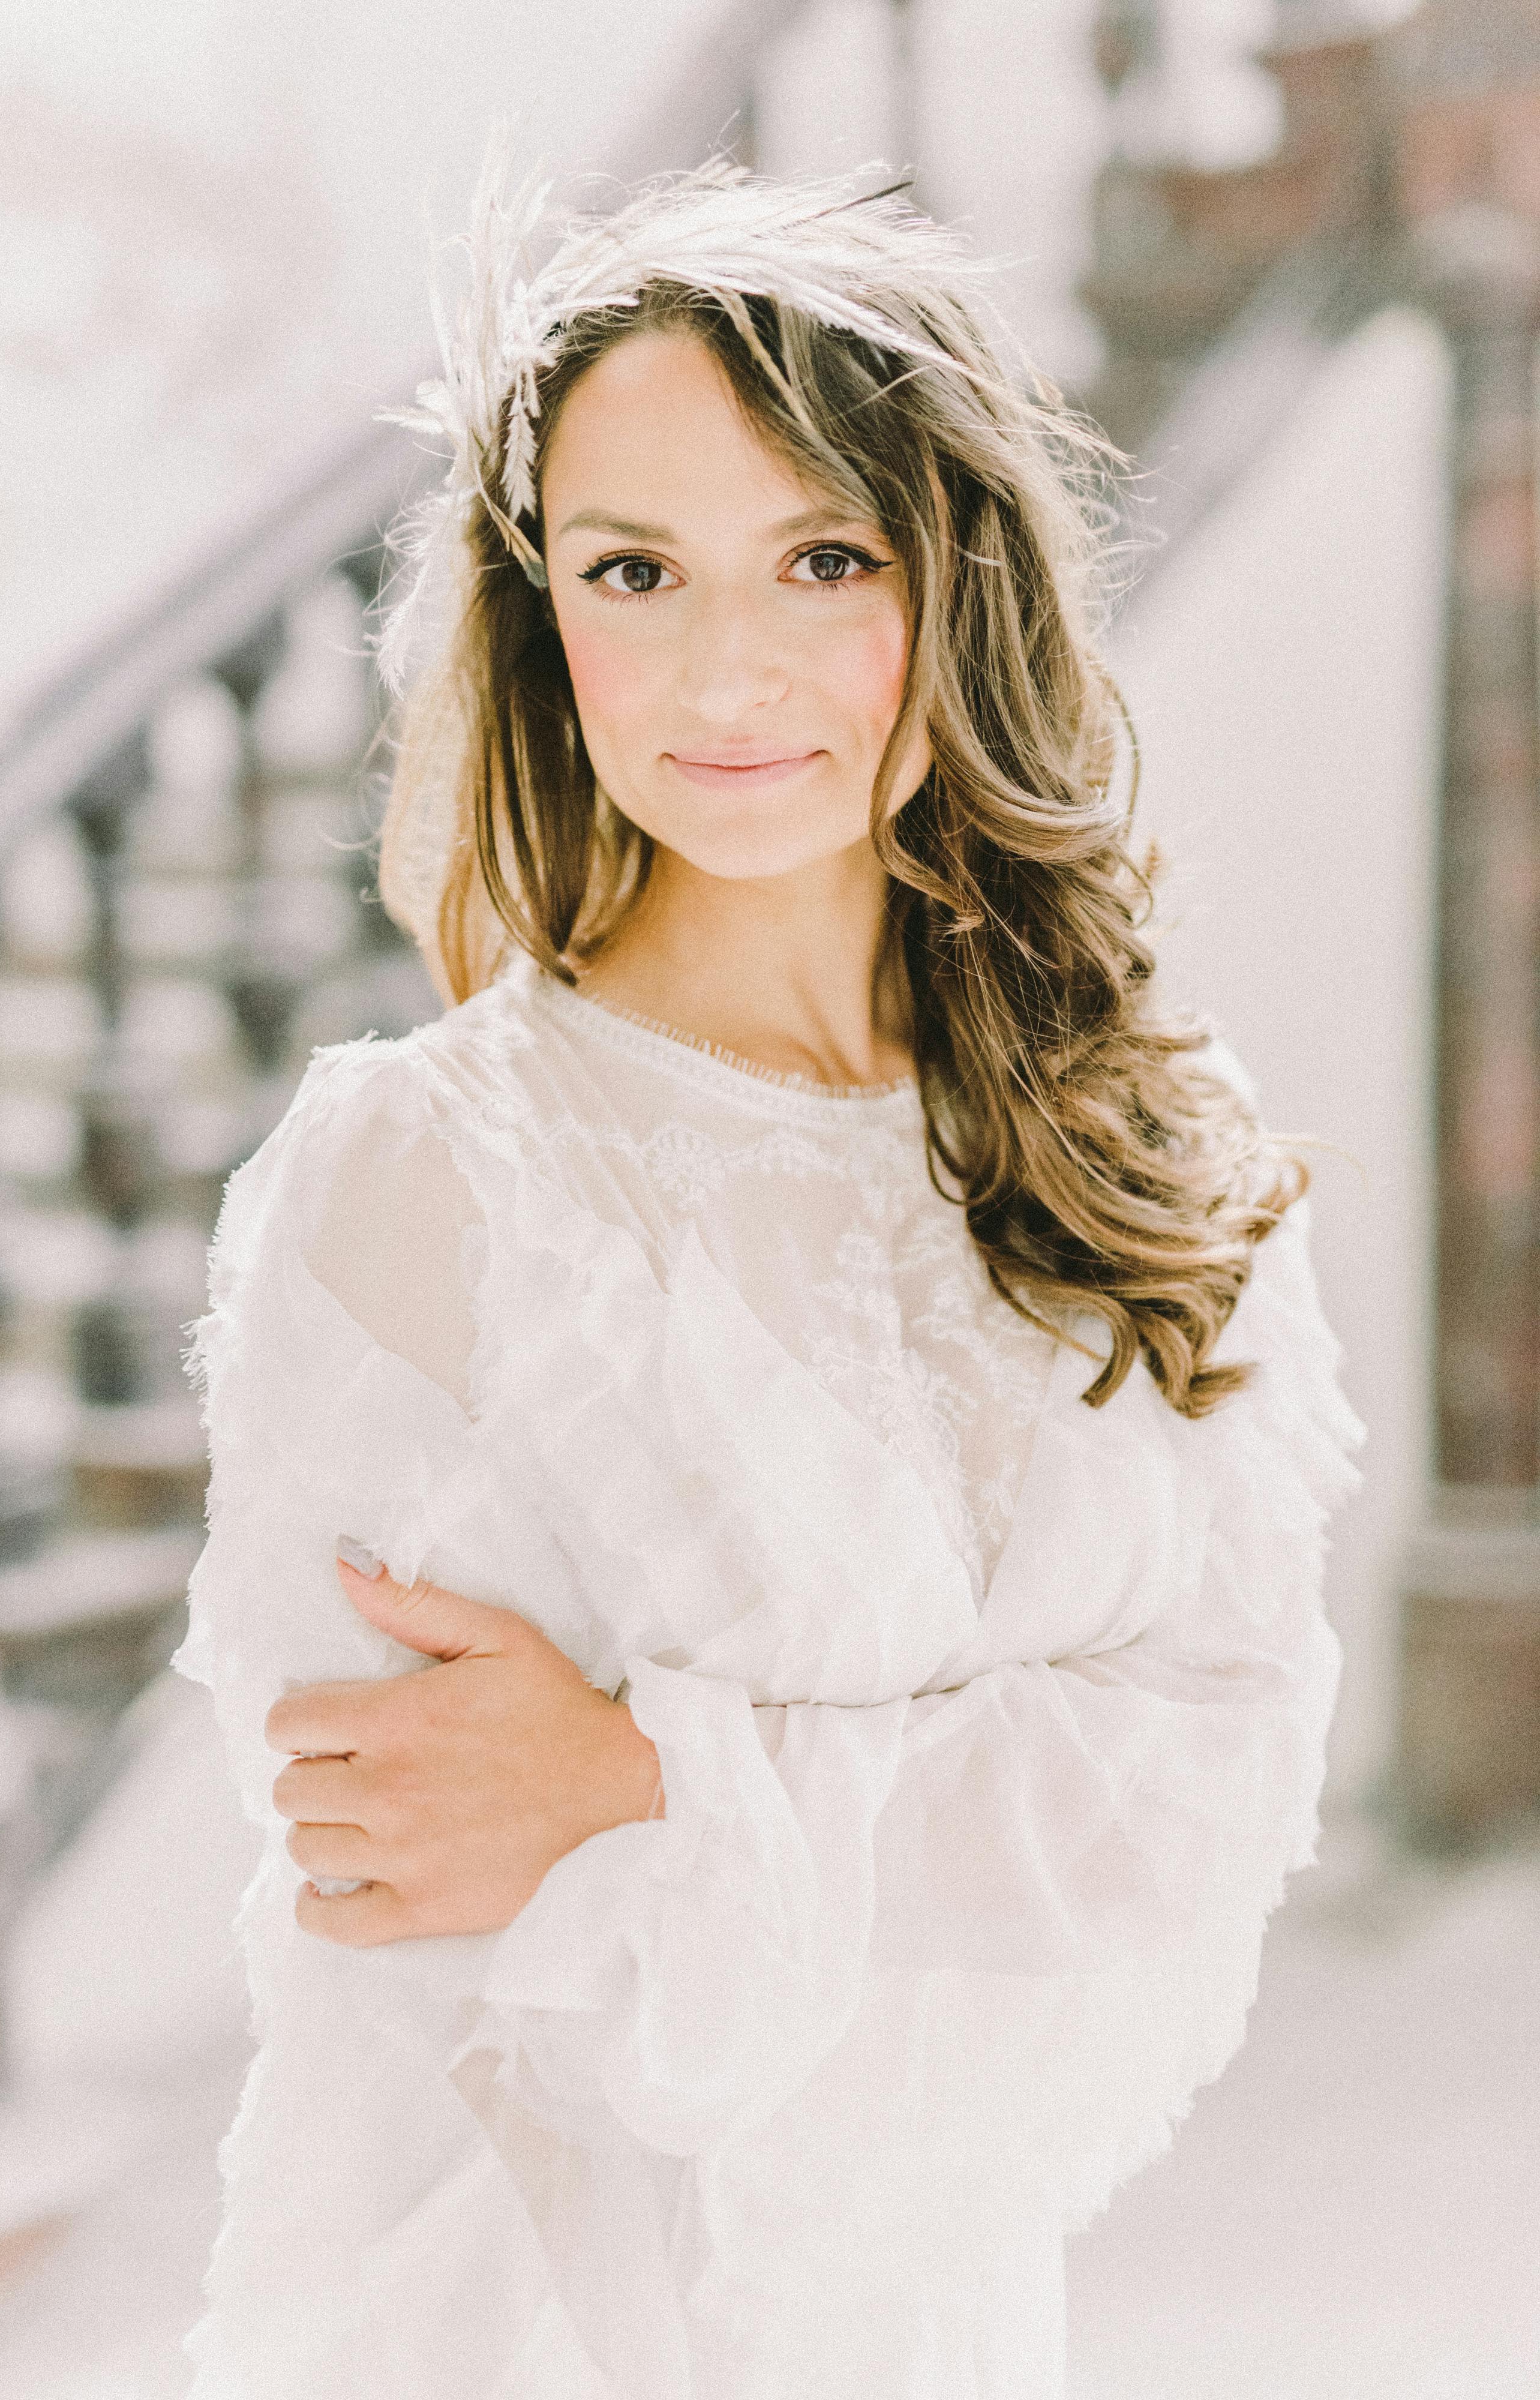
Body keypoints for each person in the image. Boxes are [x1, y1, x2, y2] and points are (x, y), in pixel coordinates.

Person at [178, 152, 1363, 2400]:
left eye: (825, 559)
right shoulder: (425, 1179)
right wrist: (894, 1786)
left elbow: (1208, 1790)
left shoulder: (1153, 1142)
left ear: (962, 591)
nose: (725, 670)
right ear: (545, 621)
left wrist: (645, 1782)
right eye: (637, 570)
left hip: (959, 2333)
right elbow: (402, 1883)